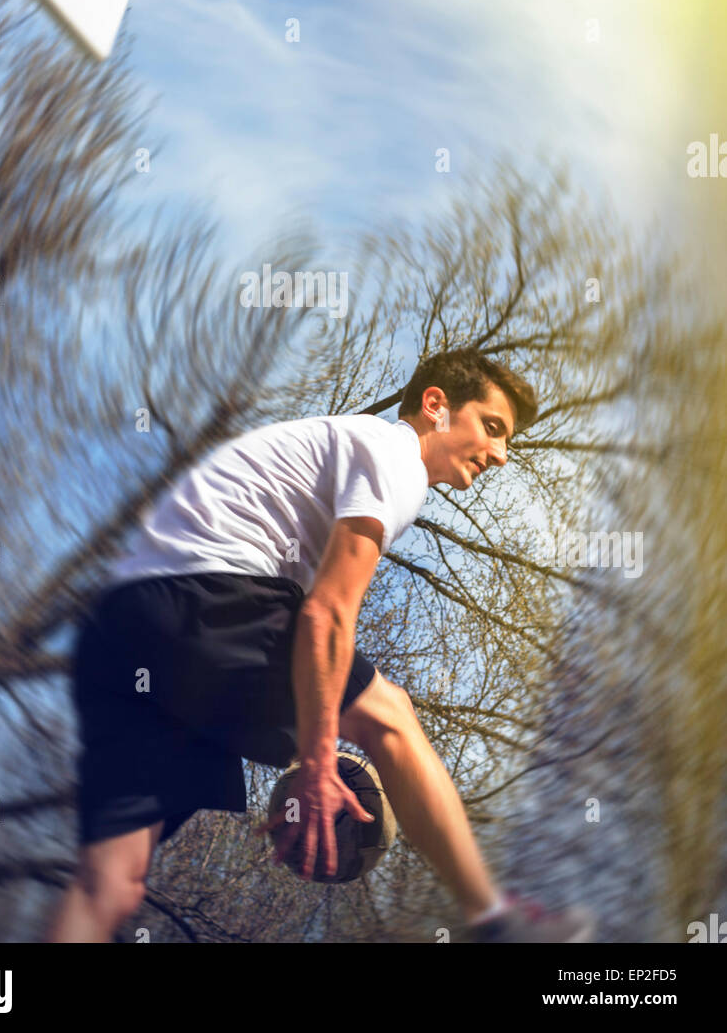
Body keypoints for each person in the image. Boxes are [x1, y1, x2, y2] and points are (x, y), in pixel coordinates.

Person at [47, 347, 595, 943]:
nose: (500, 453)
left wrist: (305, 749)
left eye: (506, 439)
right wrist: (314, 762)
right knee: (391, 718)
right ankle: (496, 922)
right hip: (199, 597)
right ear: (435, 406)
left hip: (120, 629)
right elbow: (327, 615)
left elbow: (293, 652)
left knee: (110, 883)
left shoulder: (334, 457)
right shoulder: (394, 453)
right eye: (492, 427)